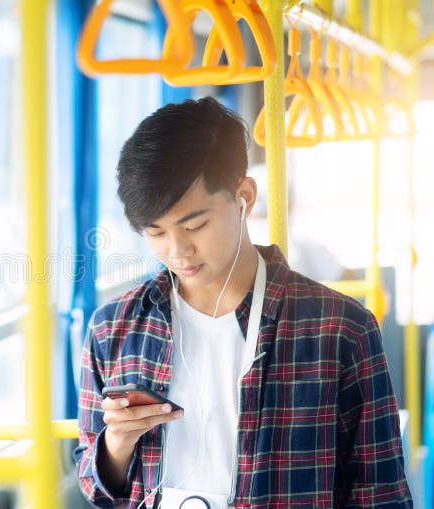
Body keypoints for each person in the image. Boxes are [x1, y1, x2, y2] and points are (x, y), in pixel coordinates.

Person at [74, 98, 411, 508]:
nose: (177, 251)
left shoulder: (341, 328)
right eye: (156, 232)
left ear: (244, 197)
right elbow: (92, 483)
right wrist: (115, 445)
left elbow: (381, 491)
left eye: (195, 225)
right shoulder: (113, 328)